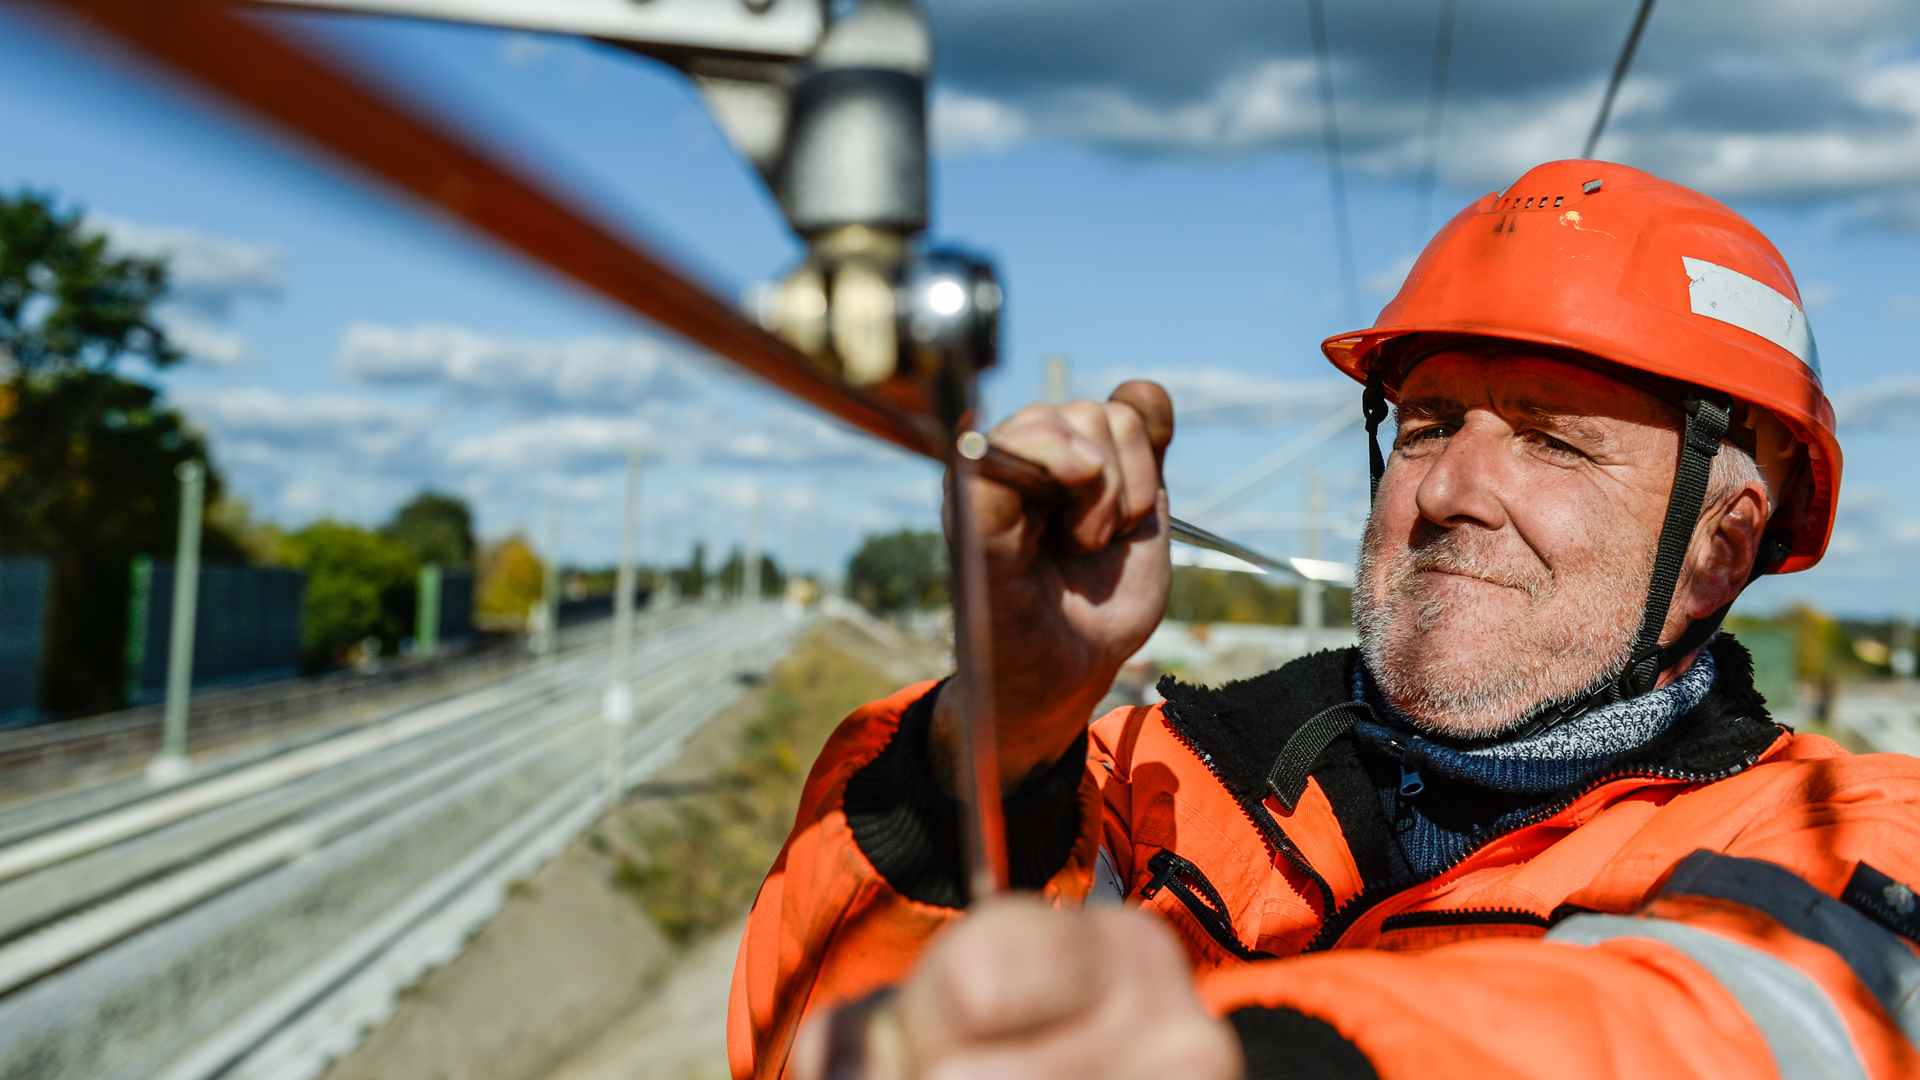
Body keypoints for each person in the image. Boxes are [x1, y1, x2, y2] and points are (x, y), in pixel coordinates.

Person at [728, 160, 1920, 1080]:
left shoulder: (1839, 839)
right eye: (1430, 424)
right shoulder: (1151, 784)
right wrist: (996, 736)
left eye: (1555, 440)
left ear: (1724, 542)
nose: (1446, 492)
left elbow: (1732, 1031)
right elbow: (811, 1045)